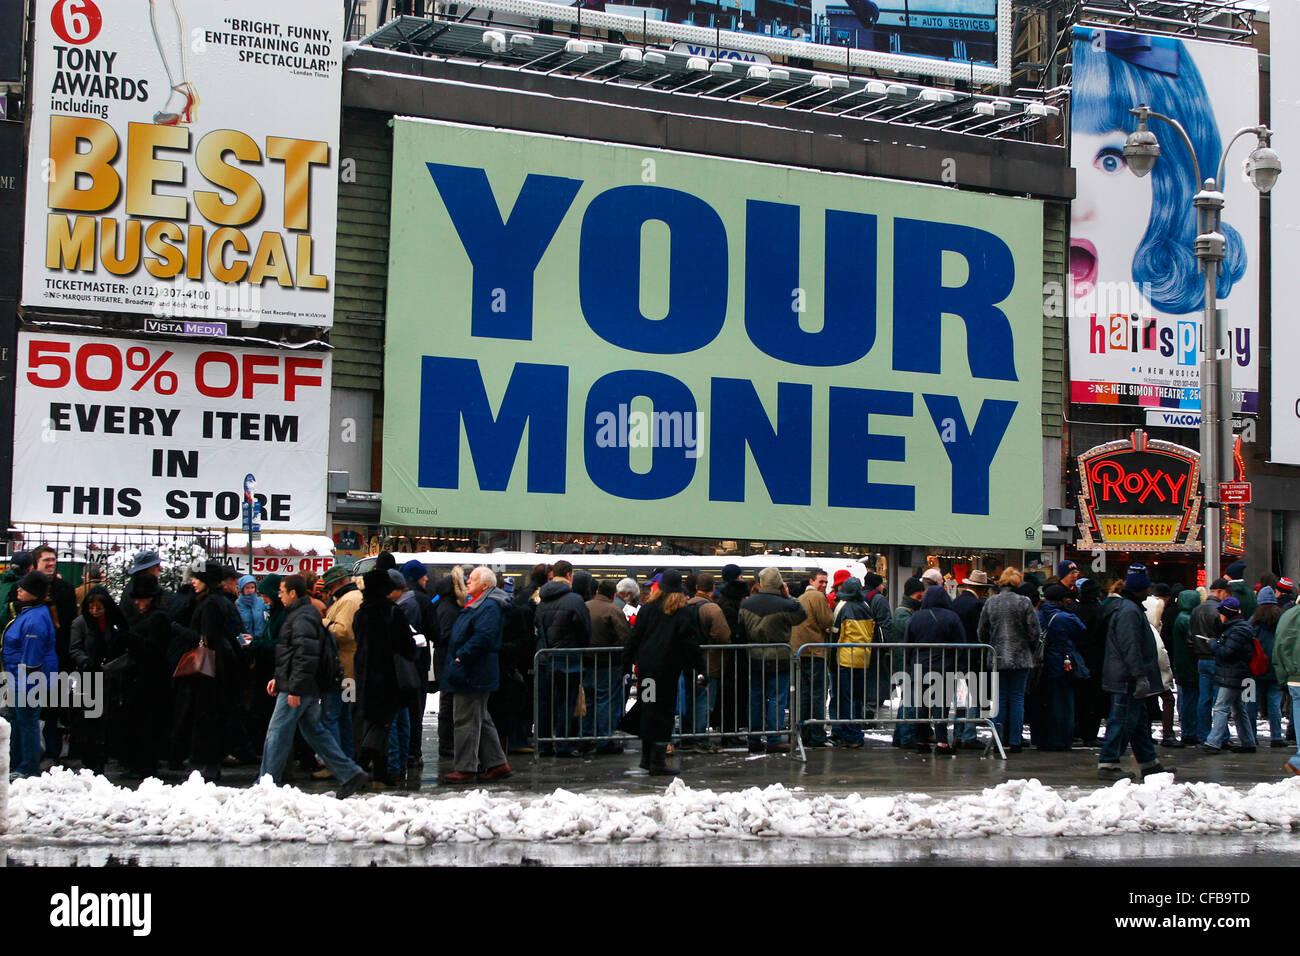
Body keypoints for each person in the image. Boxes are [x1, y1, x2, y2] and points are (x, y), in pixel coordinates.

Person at [257, 575, 369, 798]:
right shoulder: (303, 615)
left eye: (282, 591)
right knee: (315, 731)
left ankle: (267, 781)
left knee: (277, 732)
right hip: (301, 684)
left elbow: (305, 656)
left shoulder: (301, 617)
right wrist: (279, 679)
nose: (279, 595)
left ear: (293, 593)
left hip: (299, 687)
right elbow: (294, 654)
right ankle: (350, 773)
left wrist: (294, 687)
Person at [623, 569, 705, 776]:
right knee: (664, 713)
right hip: (668, 673)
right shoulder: (683, 612)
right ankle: (657, 761)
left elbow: (634, 639)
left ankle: (645, 758)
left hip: (647, 672)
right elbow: (690, 644)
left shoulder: (647, 609)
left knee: (647, 709)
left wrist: (625, 664)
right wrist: (700, 669)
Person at [168, 561, 244, 782]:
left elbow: (207, 638)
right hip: (217, 666)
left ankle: (208, 765)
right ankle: (209, 764)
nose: (193, 581)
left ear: (207, 581)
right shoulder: (215, 601)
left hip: (209, 668)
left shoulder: (210, 604)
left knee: (207, 715)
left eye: (198, 578)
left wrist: (178, 630)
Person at [1098, 564, 1174, 781]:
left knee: (1138, 720)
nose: (1149, 591)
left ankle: (1149, 762)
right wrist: (1139, 675)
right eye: (1147, 587)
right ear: (1140, 588)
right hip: (1127, 678)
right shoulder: (1129, 611)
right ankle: (1108, 762)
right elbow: (1130, 646)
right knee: (1122, 719)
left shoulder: (1128, 608)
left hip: (1125, 676)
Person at [441, 566, 513, 784]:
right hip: (473, 669)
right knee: (479, 717)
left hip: (473, 670)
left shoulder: (488, 606)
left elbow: (484, 636)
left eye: (472, 579)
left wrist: (462, 656)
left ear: (485, 584)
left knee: (465, 720)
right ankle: (497, 763)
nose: (467, 581)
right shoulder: (482, 603)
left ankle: (465, 767)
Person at [352, 568, 417, 786]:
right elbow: (407, 646)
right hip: (389, 677)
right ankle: (359, 768)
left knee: (373, 722)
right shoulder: (392, 612)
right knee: (383, 724)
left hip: (365, 675)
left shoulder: (361, 614)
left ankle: (380, 771)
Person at [738, 567, 805, 753]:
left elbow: (740, 625)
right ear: (779, 582)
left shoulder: (747, 604)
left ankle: (754, 737)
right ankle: (775, 738)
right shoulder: (784, 604)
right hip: (779, 656)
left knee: (756, 698)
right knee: (777, 698)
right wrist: (787, 596)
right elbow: (802, 614)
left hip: (754, 655)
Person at [977, 567, 1042, 753]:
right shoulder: (1024, 602)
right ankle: (1015, 740)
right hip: (1021, 657)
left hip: (997, 655)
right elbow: (1034, 631)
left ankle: (999, 738)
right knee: (1017, 698)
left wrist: (989, 644)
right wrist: (1030, 648)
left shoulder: (991, 602)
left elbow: (981, 631)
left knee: (1000, 698)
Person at [533, 559, 592, 757]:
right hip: (568, 660)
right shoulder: (575, 600)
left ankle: (543, 745)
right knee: (566, 704)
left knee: (545, 704)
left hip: (545, 659)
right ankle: (564, 745)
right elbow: (585, 630)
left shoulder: (541, 600)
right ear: (569, 575)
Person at [2, 571, 58, 777]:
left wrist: (26, 687)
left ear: (34, 594)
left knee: (26, 724)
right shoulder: (30, 613)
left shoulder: (34, 620)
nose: (18, 590)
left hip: (27, 681)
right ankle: (18, 764)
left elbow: (32, 658)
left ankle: (27, 767)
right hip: (19, 679)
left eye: (23, 588)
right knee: (19, 723)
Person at [68, 586, 129, 773]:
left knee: (107, 719)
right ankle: (89, 759)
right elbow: (75, 648)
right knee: (88, 719)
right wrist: (85, 662)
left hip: (110, 676)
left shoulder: (115, 622)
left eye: (99, 608)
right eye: (91, 607)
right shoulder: (80, 623)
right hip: (88, 676)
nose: (94, 611)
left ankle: (103, 757)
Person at [119, 575, 174, 778]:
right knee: (139, 721)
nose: (137, 602)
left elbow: (155, 648)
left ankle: (145, 764)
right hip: (143, 676)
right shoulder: (146, 617)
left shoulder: (158, 618)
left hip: (152, 679)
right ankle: (138, 762)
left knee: (147, 723)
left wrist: (132, 639)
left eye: (141, 599)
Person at [903, 585, 966, 753]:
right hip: (945, 668)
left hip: (920, 667)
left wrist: (911, 662)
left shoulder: (916, 617)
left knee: (921, 705)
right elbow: (962, 643)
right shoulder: (952, 617)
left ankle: (921, 741)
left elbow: (907, 643)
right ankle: (942, 743)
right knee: (941, 705)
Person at [1034, 583, 1089, 751]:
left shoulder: (1037, 615)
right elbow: (1082, 631)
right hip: (1062, 663)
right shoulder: (1065, 618)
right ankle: (1060, 739)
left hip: (1040, 663)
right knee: (1062, 702)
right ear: (1063, 600)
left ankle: (1041, 738)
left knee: (1042, 702)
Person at [1200, 597, 1257, 754]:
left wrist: (1213, 644)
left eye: (1221, 614)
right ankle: (1248, 742)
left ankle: (1213, 742)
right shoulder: (1240, 628)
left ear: (1227, 614)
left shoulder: (1237, 631)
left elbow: (1226, 653)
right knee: (1238, 708)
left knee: (1220, 707)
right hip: (1237, 673)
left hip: (1232, 674)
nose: (1219, 617)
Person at [683, 573, 730, 753]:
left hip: (688, 661)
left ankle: (687, 737)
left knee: (690, 699)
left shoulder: (686, 606)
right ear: (713, 588)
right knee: (704, 702)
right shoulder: (713, 609)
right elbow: (723, 636)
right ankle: (701, 739)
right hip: (710, 662)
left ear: (696, 588)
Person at [586, 578, 632, 754]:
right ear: (613, 594)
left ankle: (586, 736)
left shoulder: (586, 606)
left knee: (588, 700)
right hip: (608, 663)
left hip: (586, 661)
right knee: (604, 700)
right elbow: (624, 636)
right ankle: (604, 739)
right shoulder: (613, 610)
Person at [827, 577, 873, 748]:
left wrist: (831, 660)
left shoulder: (842, 607)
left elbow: (835, 633)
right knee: (857, 698)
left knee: (844, 698)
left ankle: (849, 735)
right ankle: (856, 732)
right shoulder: (867, 607)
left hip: (845, 659)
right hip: (863, 659)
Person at [321, 565, 361, 759]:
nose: (328, 592)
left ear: (337, 584)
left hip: (346, 671)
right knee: (345, 716)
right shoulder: (351, 598)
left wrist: (324, 622)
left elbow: (343, 632)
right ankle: (346, 757)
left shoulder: (348, 601)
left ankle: (338, 761)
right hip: (347, 670)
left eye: (329, 588)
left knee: (338, 716)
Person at [791, 569, 833, 749]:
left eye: (826, 582)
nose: (824, 585)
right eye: (821, 582)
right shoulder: (817, 597)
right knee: (817, 695)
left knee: (804, 694)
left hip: (800, 652)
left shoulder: (801, 598)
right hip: (815, 652)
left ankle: (805, 732)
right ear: (811, 581)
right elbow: (827, 620)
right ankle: (817, 735)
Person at [1191, 577, 1228, 745]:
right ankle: (1221, 736)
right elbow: (1223, 635)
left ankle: (1203, 734)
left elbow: (1190, 638)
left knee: (1204, 699)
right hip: (1216, 658)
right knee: (1219, 701)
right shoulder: (1219, 611)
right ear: (1219, 592)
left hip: (1201, 659)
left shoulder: (1196, 610)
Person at [1246, 587, 1285, 747]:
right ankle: (1276, 736)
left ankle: (1251, 736)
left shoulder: (1253, 620)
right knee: (1274, 704)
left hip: (1254, 669)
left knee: (1251, 704)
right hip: (1275, 668)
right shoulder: (1281, 619)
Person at [889, 577, 925, 748]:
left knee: (908, 701)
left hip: (906, 662)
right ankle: (906, 737)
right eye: (920, 596)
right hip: (906, 664)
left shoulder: (905, 612)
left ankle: (901, 736)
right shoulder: (903, 614)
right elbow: (915, 632)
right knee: (910, 702)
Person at [1169, 589, 1203, 747]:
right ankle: (1190, 732)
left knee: (1187, 699)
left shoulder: (1180, 618)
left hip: (1183, 665)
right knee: (1191, 699)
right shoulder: (1187, 620)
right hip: (1190, 666)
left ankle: (1189, 731)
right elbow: (1193, 642)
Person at [1271, 599, 1300, 774]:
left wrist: (1282, 677)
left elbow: (1279, 647)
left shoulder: (1288, 615)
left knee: (1298, 712)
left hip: (1294, 676)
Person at [236, 574, 266, 643]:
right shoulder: (237, 604)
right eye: (247, 587)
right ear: (242, 589)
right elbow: (235, 627)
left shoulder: (261, 602)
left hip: (260, 643)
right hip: (244, 643)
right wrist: (242, 643)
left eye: (252, 587)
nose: (250, 590)